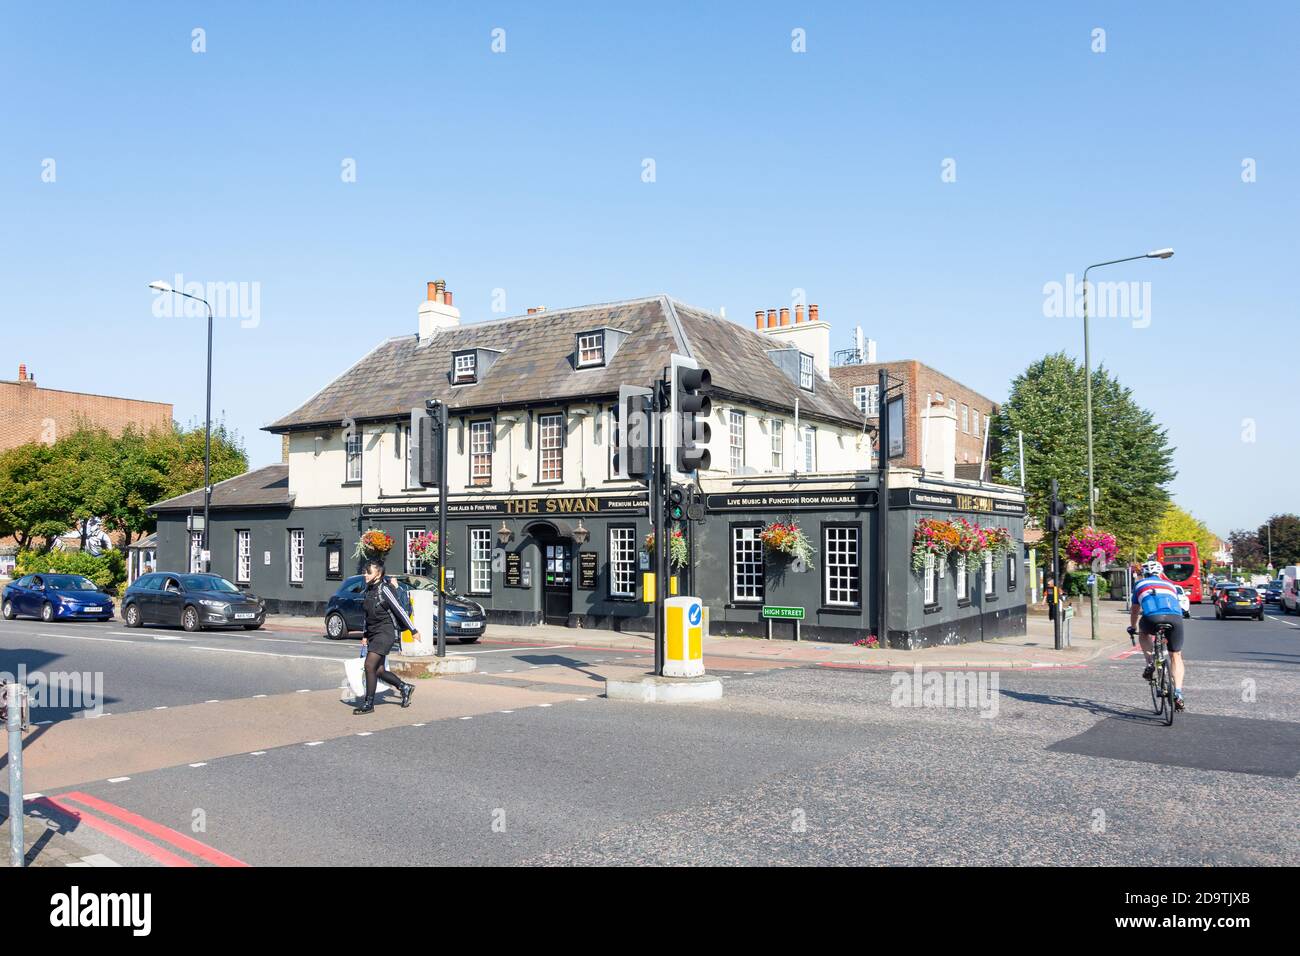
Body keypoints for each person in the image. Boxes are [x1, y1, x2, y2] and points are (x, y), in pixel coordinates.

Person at [354, 559, 420, 715]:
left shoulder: (385, 589)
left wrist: (413, 629)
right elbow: (367, 615)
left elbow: (398, 609)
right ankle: (404, 687)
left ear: (378, 573)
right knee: (379, 670)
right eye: (365, 572)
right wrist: (365, 634)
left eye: (368, 572)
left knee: (369, 665)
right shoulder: (369, 589)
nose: (365, 574)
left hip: (386, 632)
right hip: (374, 633)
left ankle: (368, 704)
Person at [1127, 559, 1186, 711]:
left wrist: (1132, 627)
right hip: (1175, 618)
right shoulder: (1171, 585)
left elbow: (1134, 610)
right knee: (1176, 655)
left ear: (1144, 573)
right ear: (1160, 573)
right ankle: (1178, 693)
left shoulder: (1140, 584)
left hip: (1152, 617)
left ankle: (1150, 663)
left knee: (1143, 633)